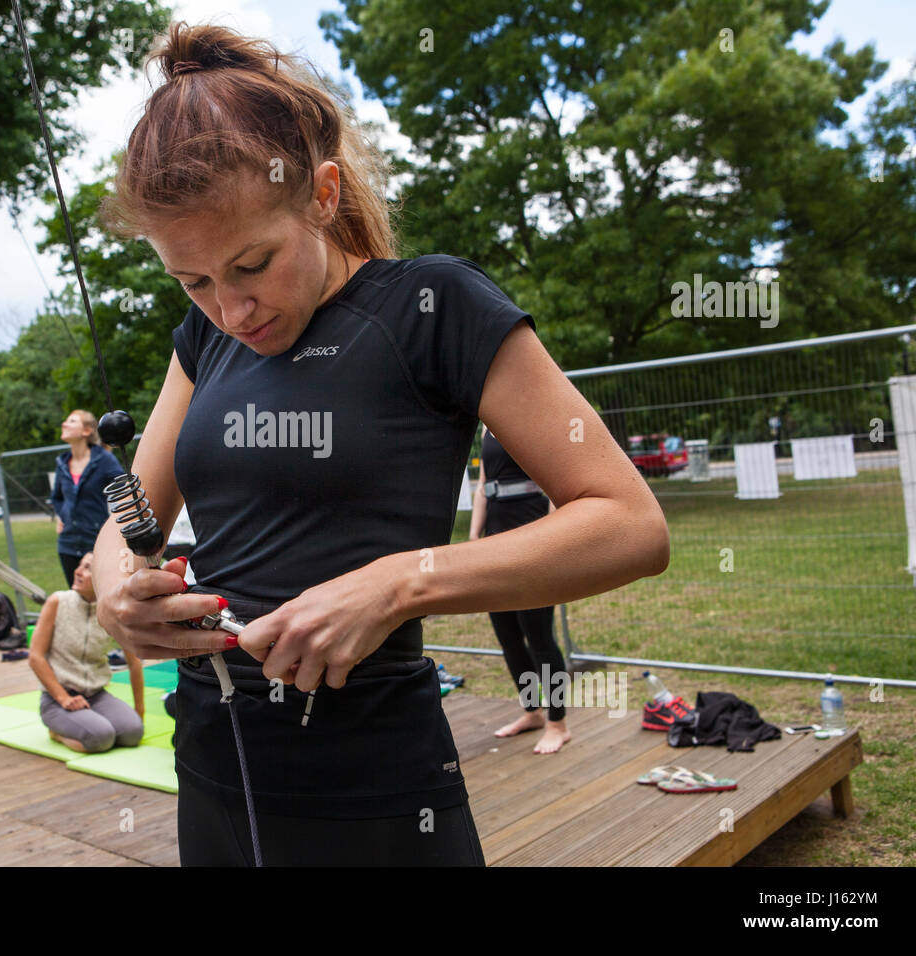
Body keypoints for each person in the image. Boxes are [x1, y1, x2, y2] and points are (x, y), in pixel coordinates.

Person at [90, 22, 668, 866]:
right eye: (194, 280)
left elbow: (630, 524)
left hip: (376, 783)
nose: (231, 309)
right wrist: (117, 593)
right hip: (214, 758)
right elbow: (129, 511)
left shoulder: (433, 307)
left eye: (253, 263)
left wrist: (399, 584)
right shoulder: (203, 338)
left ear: (322, 193)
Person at [469, 425, 571, 754]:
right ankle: (533, 713)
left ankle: (558, 724)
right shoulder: (487, 425)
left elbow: (559, 484)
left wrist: (552, 540)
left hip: (533, 540)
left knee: (540, 639)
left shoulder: (532, 415)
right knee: (509, 639)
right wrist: (474, 541)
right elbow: (484, 487)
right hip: (495, 542)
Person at [29, 552, 145, 752]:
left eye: (87, 568)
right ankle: (56, 732)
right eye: (80, 565)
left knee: (133, 733)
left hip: (97, 696)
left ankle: (91, 721)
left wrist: (139, 711)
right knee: (100, 738)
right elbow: (35, 657)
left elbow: (134, 663)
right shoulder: (57, 602)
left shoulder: (113, 611)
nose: (77, 571)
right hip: (58, 700)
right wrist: (64, 698)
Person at [51, 409, 123, 588]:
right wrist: (64, 516)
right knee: (76, 594)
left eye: (72, 421)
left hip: (95, 542)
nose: (64, 424)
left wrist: (116, 524)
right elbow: (57, 498)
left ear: (87, 431)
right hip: (67, 544)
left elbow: (124, 489)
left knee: (100, 594)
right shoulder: (62, 463)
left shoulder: (104, 460)